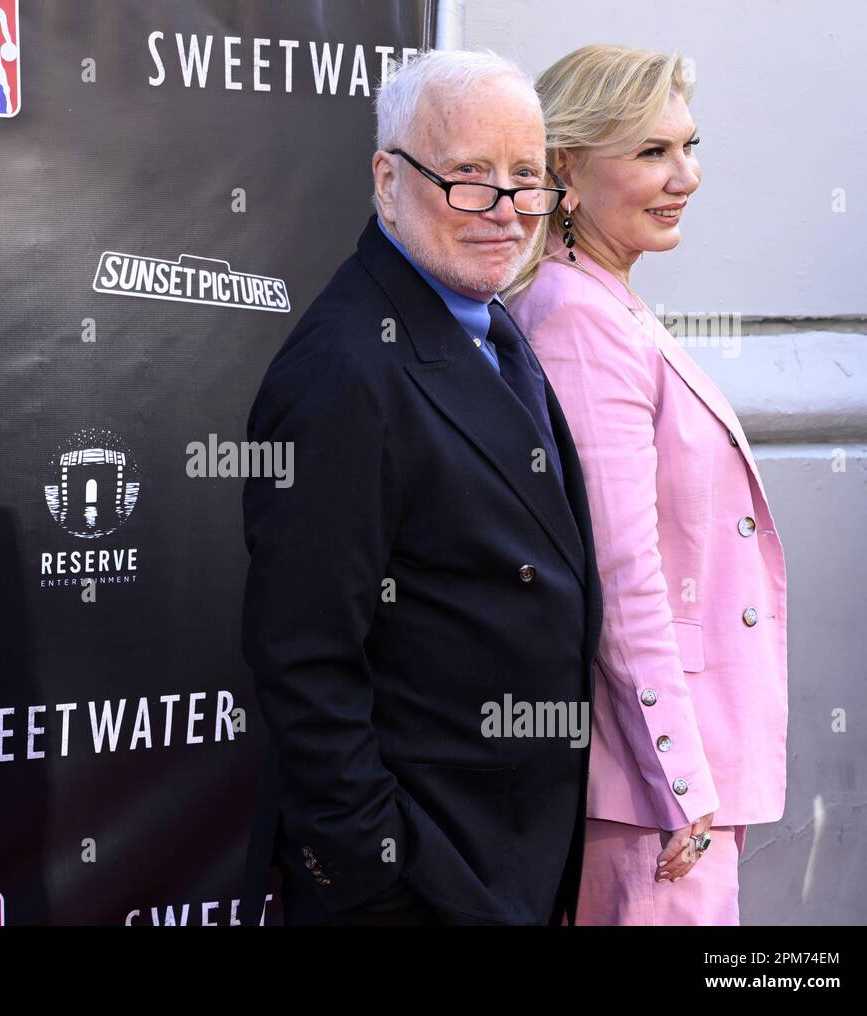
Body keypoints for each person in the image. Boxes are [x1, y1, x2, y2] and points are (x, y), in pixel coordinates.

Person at [236, 49, 602, 927]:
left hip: (510, 861)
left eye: (526, 177)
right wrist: (375, 877)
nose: (507, 212)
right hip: (421, 883)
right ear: (387, 178)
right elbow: (304, 656)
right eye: (470, 177)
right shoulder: (345, 371)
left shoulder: (482, 324)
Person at [505, 44, 788, 925]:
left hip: (667, 784)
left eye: (689, 146)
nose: (688, 176)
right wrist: (679, 775)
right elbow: (622, 577)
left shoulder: (604, 301)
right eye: (652, 152)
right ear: (568, 172)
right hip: (650, 797)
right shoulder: (578, 320)